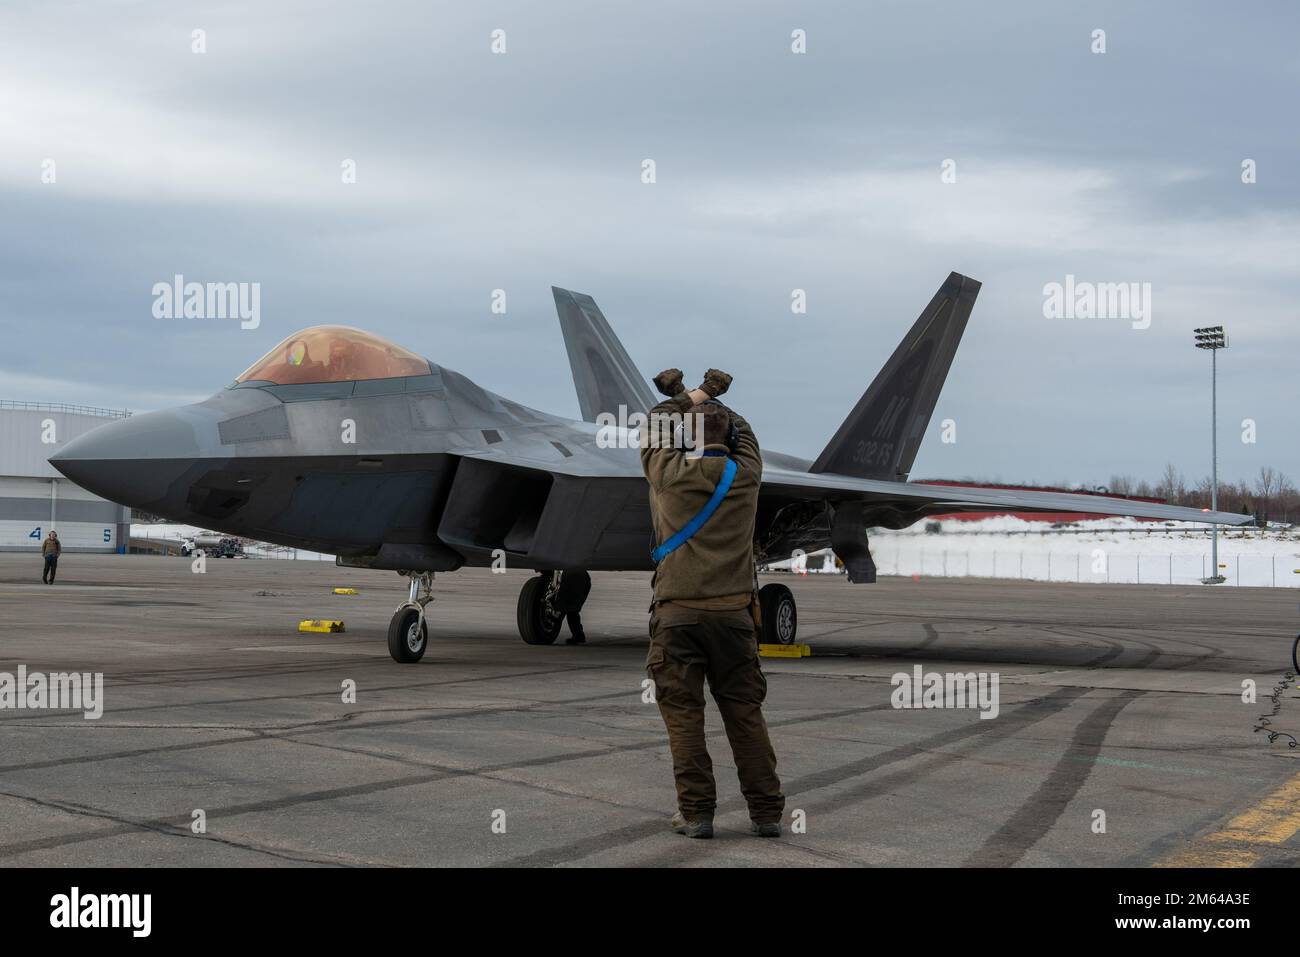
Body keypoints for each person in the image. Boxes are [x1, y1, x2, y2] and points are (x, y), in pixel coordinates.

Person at [639, 367, 785, 839]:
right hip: (735, 618)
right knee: (745, 716)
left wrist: (689, 395)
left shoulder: (668, 473)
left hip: (677, 617)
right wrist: (716, 398)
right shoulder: (746, 476)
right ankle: (766, 814)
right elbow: (745, 433)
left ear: (691, 435)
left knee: (684, 719)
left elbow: (657, 422)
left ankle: (697, 814)